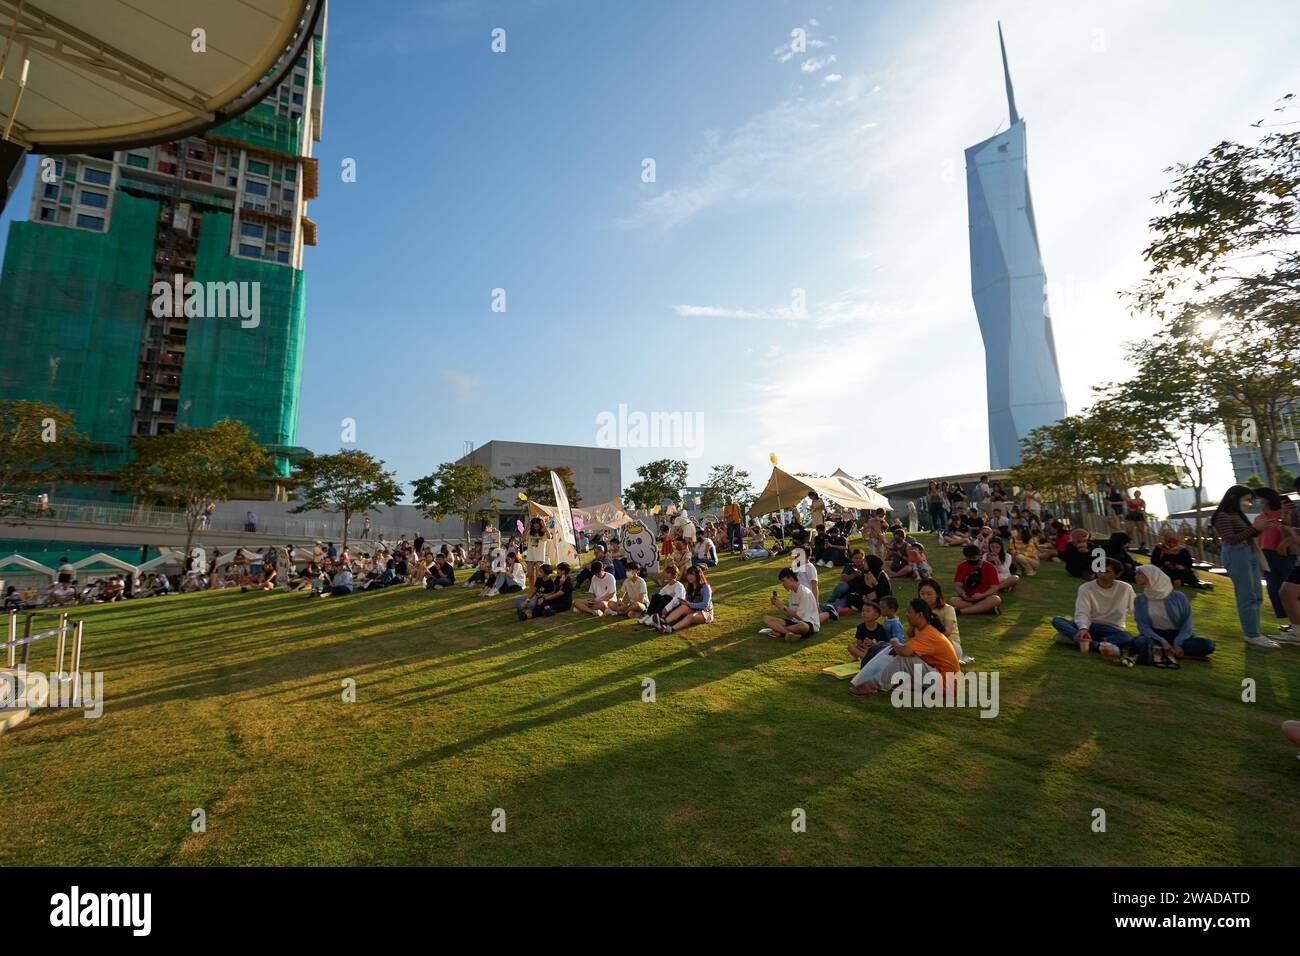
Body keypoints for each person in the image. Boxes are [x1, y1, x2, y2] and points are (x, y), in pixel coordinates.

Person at [849, 597, 960, 696]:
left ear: (920, 615)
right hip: (941, 677)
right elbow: (909, 641)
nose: (906, 615)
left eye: (909, 612)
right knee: (900, 654)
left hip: (947, 684)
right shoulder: (925, 629)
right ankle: (898, 682)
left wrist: (895, 643)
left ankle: (871, 685)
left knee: (904, 659)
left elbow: (904, 652)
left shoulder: (928, 633)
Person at [1212, 485, 1277, 649]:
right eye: (1247, 500)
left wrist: (1258, 529)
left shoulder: (1236, 514)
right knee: (1247, 596)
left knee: (1256, 596)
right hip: (1236, 554)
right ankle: (1252, 634)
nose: (1249, 504)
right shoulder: (1223, 515)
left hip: (1248, 552)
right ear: (1234, 498)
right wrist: (1255, 528)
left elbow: (1245, 534)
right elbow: (1230, 539)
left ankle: (1255, 632)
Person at [1050, 558, 1136, 656]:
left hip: (1112, 629)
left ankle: (1079, 641)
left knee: (1127, 637)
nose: (1102, 574)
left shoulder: (1125, 588)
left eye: (1107, 572)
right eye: (1099, 570)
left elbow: (1135, 610)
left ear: (1117, 575)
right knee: (1057, 620)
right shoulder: (1085, 588)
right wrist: (1083, 628)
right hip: (1090, 625)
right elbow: (1082, 612)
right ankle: (1097, 645)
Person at [1134, 564, 1216, 664]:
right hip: (1155, 636)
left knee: (1208, 645)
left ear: (1151, 576)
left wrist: (1178, 643)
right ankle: (1168, 651)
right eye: (1136, 573)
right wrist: (1161, 641)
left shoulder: (1178, 597)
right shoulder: (1139, 600)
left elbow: (1187, 622)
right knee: (1141, 642)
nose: (1135, 576)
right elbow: (1143, 626)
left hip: (1179, 634)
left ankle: (1164, 651)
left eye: (1139, 574)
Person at [1253, 487, 1294, 622]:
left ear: (1266, 499)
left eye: (1256, 498)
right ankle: (1289, 622)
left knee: (1290, 589)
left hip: (1285, 555)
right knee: (1274, 589)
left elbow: (1290, 530)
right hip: (1266, 555)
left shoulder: (1282, 513)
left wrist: (1286, 515)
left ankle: (1296, 620)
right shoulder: (1258, 518)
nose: (1254, 501)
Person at [760, 567, 820, 641]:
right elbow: (791, 616)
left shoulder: (805, 594)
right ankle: (787, 633)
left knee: (802, 626)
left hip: (808, 624)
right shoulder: (792, 592)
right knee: (766, 618)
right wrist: (779, 606)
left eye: (783, 581)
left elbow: (800, 618)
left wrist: (783, 607)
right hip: (794, 622)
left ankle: (780, 631)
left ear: (791, 579)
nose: (782, 584)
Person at [918, 577, 967, 664]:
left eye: (929, 594)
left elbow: (947, 632)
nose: (925, 597)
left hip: (949, 644)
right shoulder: (918, 610)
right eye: (922, 594)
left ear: (937, 594)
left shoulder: (948, 609)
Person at [949, 544, 1003, 615]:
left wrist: (982, 595)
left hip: (984, 597)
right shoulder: (961, 567)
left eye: (974, 558)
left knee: (996, 599)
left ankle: (962, 611)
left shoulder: (990, 567)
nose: (972, 560)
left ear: (979, 555)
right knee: (953, 601)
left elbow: (994, 587)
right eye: (969, 558)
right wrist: (963, 594)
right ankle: (987, 609)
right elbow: (958, 585)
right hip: (968, 597)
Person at [658, 565, 713, 634]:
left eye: (691, 574)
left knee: (691, 617)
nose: (689, 576)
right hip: (694, 609)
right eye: (688, 574)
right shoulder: (690, 587)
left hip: (705, 612)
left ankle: (671, 629)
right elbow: (687, 602)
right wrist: (683, 602)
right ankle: (663, 622)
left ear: (697, 575)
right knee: (683, 607)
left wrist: (689, 604)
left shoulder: (705, 587)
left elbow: (705, 604)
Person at [525, 516, 548, 588]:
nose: (535, 525)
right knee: (530, 575)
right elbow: (523, 540)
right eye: (534, 523)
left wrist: (544, 524)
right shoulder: (530, 532)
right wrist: (528, 527)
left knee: (538, 575)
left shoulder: (543, 532)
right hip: (530, 556)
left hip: (539, 557)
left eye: (537, 523)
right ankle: (532, 590)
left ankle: (538, 589)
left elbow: (549, 536)